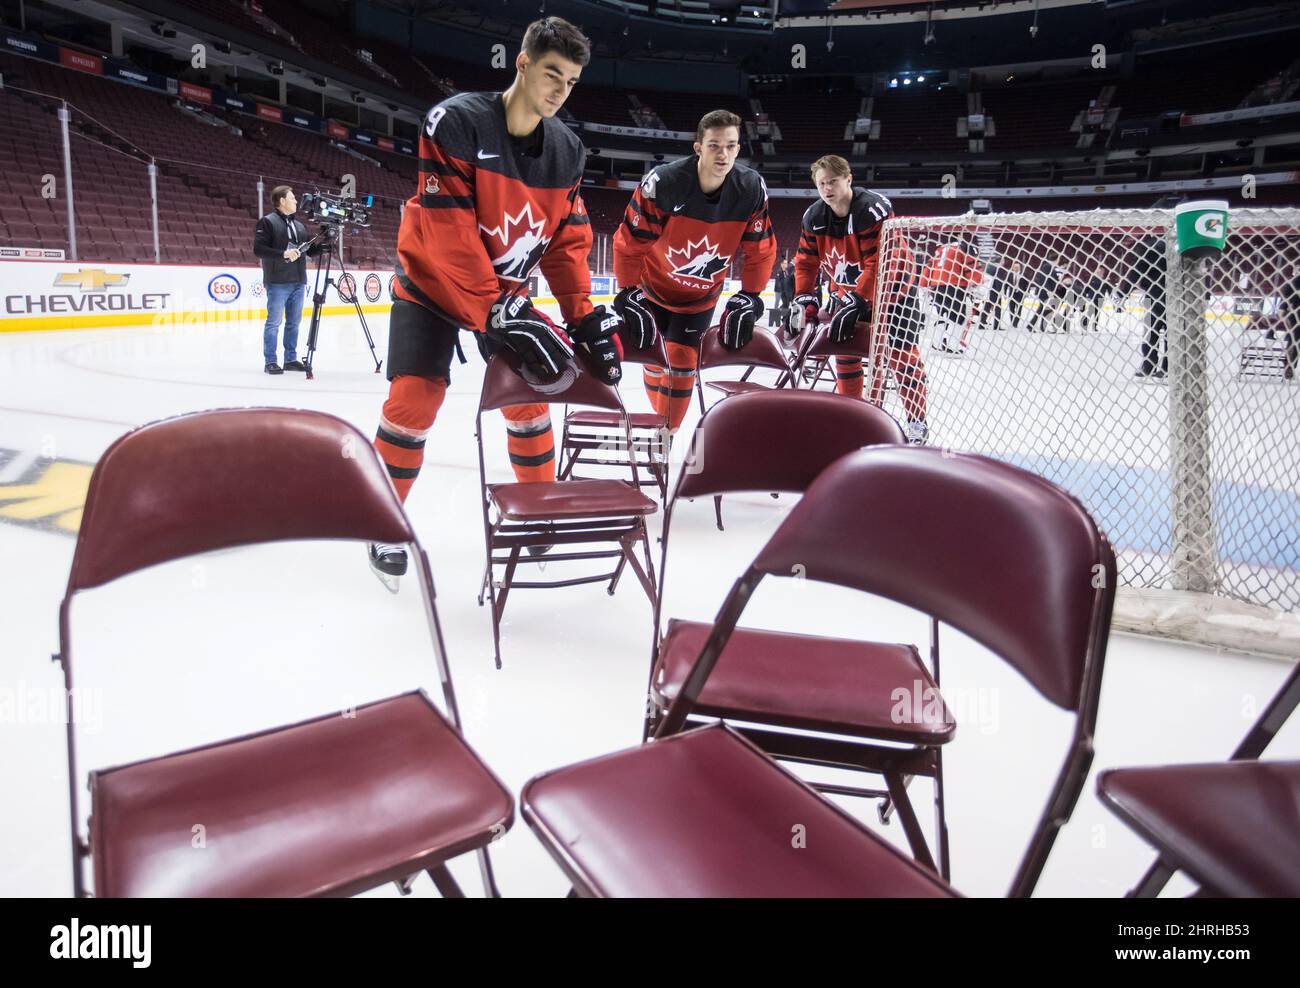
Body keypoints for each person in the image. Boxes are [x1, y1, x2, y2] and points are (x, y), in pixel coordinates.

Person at [368, 17, 622, 581]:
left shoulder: (568, 150)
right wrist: (491, 314)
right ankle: (381, 521)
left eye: (572, 80)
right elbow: (449, 237)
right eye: (552, 73)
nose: (560, 89)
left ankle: (536, 516)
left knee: (529, 404)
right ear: (523, 64)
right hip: (432, 287)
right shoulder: (455, 122)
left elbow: (565, 244)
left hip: (502, 296)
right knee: (414, 402)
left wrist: (583, 320)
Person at [612, 108, 776, 433]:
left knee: (682, 361)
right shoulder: (664, 182)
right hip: (653, 290)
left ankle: (665, 438)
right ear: (698, 147)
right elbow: (630, 242)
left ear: (739, 149)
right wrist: (627, 291)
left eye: (730, 145)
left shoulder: (751, 188)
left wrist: (751, 296)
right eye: (714, 145)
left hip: (699, 300)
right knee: (654, 360)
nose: (723, 153)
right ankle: (662, 423)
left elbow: (761, 250)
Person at [252, 186, 322, 374]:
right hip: (278, 281)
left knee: (294, 322)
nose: (296, 202)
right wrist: (283, 253)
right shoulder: (267, 222)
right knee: (274, 322)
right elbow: (258, 249)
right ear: (282, 201)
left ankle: (290, 359)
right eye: (292, 198)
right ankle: (270, 361)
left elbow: (311, 251)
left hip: (298, 281)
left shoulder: (299, 226)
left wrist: (324, 240)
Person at [920, 238, 982, 353]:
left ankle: (936, 344)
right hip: (954, 285)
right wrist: (977, 281)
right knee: (958, 317)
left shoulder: (940, 249)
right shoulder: (962, 248)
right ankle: (952, 345)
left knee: (942, 315)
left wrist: (924, 283)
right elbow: (971, 264)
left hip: (937, 286)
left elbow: (929, 266)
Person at [1131, 234, 1168, 378]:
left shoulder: (1147, 247)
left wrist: (1123, 292)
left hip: (1152, 297)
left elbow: (1136, 271)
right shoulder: (1174, 246)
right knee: (1169, 337)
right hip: (1170, 298)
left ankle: (1149, 367)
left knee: (1149, 335)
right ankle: (1166, 369)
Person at [772, 256, 794, 331]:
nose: (785, 264)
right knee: (778, 302)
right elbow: (779, 282)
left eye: (786, 263)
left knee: (785, 304)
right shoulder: (780, 271)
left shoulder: (786, 271)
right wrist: (782, 289)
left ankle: (782, 317)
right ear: (781, 264)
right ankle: (775, 315)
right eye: (784, 263)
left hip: (784, 290)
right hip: (779, 290)